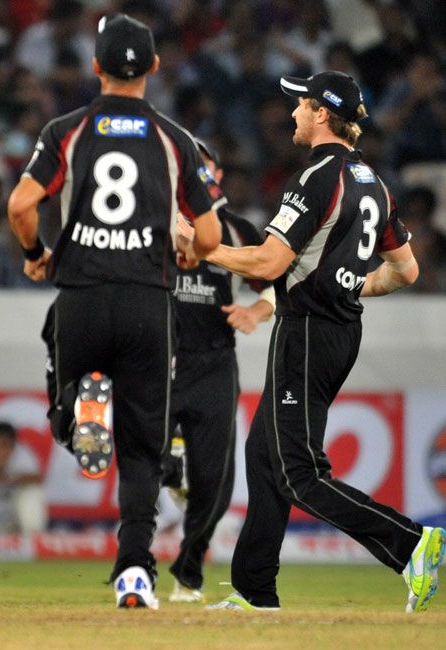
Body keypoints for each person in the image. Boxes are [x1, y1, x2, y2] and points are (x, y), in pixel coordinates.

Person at [189, 70, 445, 612]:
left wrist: (202, 248)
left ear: (323, 114)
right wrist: (349, 284)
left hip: (306, 334)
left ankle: (412, 544)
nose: (293, 114)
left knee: (298, 474)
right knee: (264, 456)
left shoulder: (318, 177)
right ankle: (256, 592)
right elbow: (406, 269)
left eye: (301, 105)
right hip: (336, 331)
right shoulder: (371, 181)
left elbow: (268, 261)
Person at [6, 14, 221, 610]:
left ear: (96, 66)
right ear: (154, 67)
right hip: (147, 302)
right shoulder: (176, 140)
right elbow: (209, 233)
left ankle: (75, 414)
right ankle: (134, 573)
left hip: (80, 297)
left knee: (62, 380)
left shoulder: (66, 130)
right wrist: (188, 246)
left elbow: (22, 204)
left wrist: (35, 253)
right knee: (143, 450)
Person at [163, 139, 275, 604]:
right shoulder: (151, 221)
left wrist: (257, 312)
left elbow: (282, 285)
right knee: (156, 462)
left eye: (201, 167)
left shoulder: (235, 228)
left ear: (217, 176)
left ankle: (188, 574)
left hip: (214, 364)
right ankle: (171, 478)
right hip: (159, 363)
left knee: (216, 481)